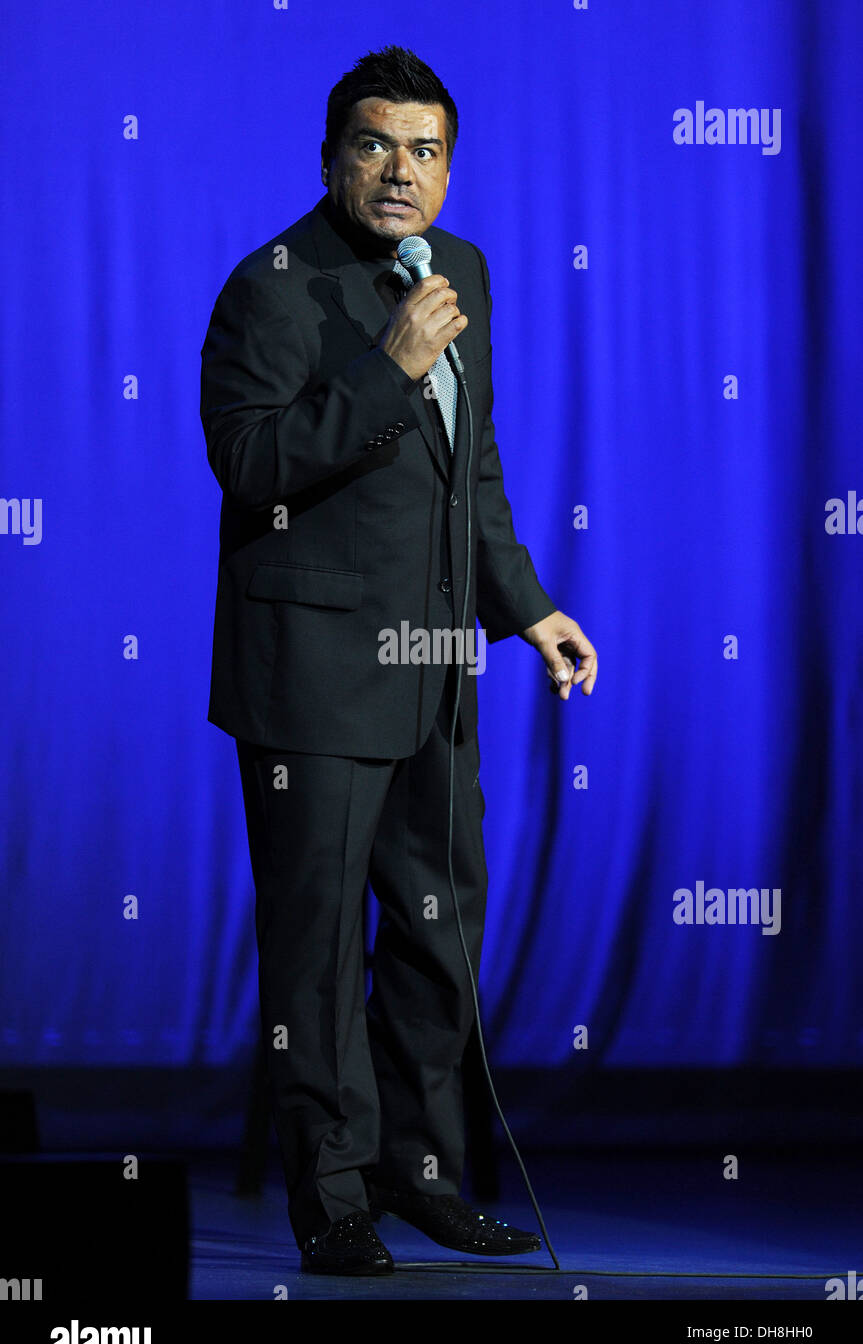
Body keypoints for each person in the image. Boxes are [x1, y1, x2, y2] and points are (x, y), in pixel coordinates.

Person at [200, 45, 598, 1276]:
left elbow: (467, 473)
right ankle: (327, 1196)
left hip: (432, 668)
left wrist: (525, 607)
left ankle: (422, 1177)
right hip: (312, 682)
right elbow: (252, 467)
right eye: (375, 146)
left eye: (424, 150)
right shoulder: (269, 289)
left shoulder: (459, 269)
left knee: (437, 939)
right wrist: (390, 368)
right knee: (317, 956)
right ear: (330, 158)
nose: (400, 172)